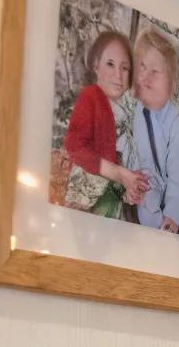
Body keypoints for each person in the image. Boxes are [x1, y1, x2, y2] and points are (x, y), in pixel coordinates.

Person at [62, 30, 149, 217]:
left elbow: (110, 177)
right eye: (110, 64)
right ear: (95, 66)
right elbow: (75, 147)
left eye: (125, 68)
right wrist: (121, 174)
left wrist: (126, 192)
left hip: (107, 206)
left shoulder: (122, 111)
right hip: (84, 205)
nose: (118, 74)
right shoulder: (91, 96)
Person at [132, 27, 179, 234]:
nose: (146, 77)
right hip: (131, 178)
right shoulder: (135, 108)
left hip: (156, 190)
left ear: (172, 82)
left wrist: (173, 216)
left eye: (155, 72)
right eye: (142, 67)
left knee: (148, 209)